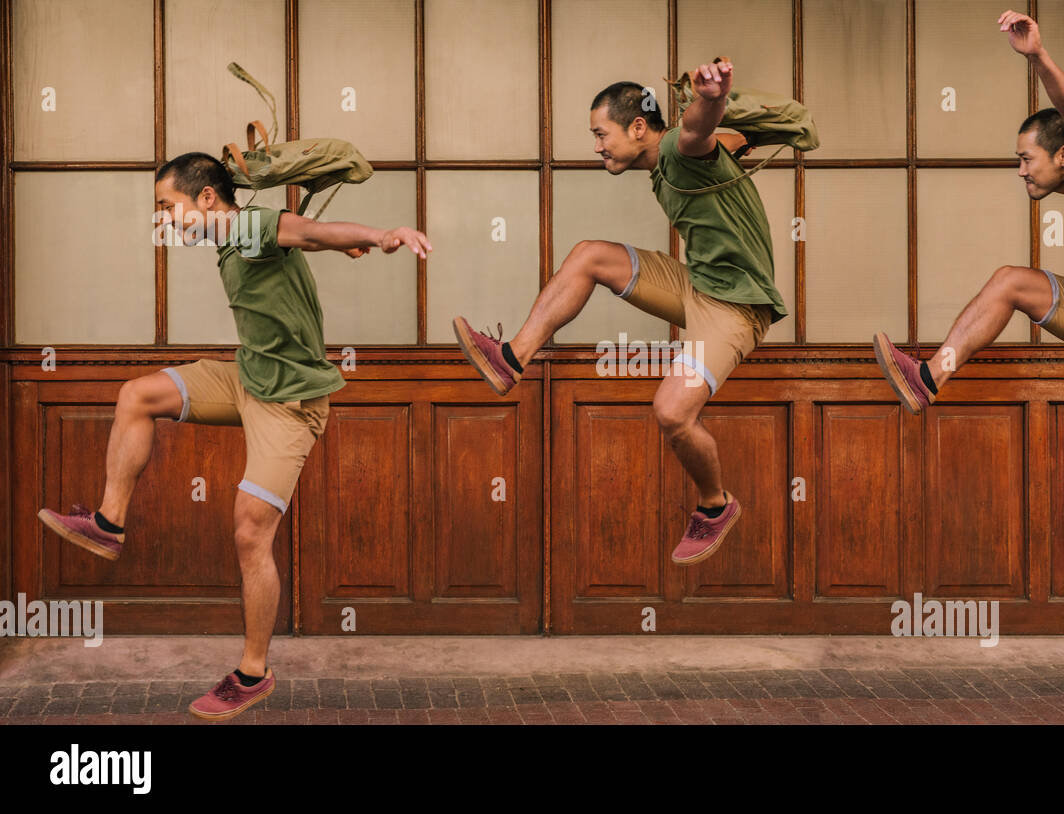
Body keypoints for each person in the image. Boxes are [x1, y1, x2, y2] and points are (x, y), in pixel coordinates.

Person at [36, 152, 432, 721]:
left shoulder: (249, 224)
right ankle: (107, 524)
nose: (165, 220)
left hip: (289, 402)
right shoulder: (232, 237)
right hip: (247, 376)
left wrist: (379, 233)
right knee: (136, 396)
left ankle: (252, 672)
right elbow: (305, 240)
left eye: (167, 207)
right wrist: (333, 244)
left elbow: (306, 229)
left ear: (204, 199)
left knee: (250, 531)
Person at [873, 10, 1064, 564]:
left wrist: (1036, 55)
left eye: (1026, 158)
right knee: (1009, 282)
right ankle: (927, 377)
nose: (1019, 170)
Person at [453, 60, 787, 567]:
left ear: (637, 128)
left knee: (673, 413)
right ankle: (511, 358)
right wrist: (736, 135)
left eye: (600, 133)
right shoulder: (666, 161)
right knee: (589, 255)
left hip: (736, 306)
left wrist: (712, 97)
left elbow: (696, 130)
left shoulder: (678, 148)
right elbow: (726, 139)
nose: (596, 146)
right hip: (695, 285)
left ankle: (715, 505)